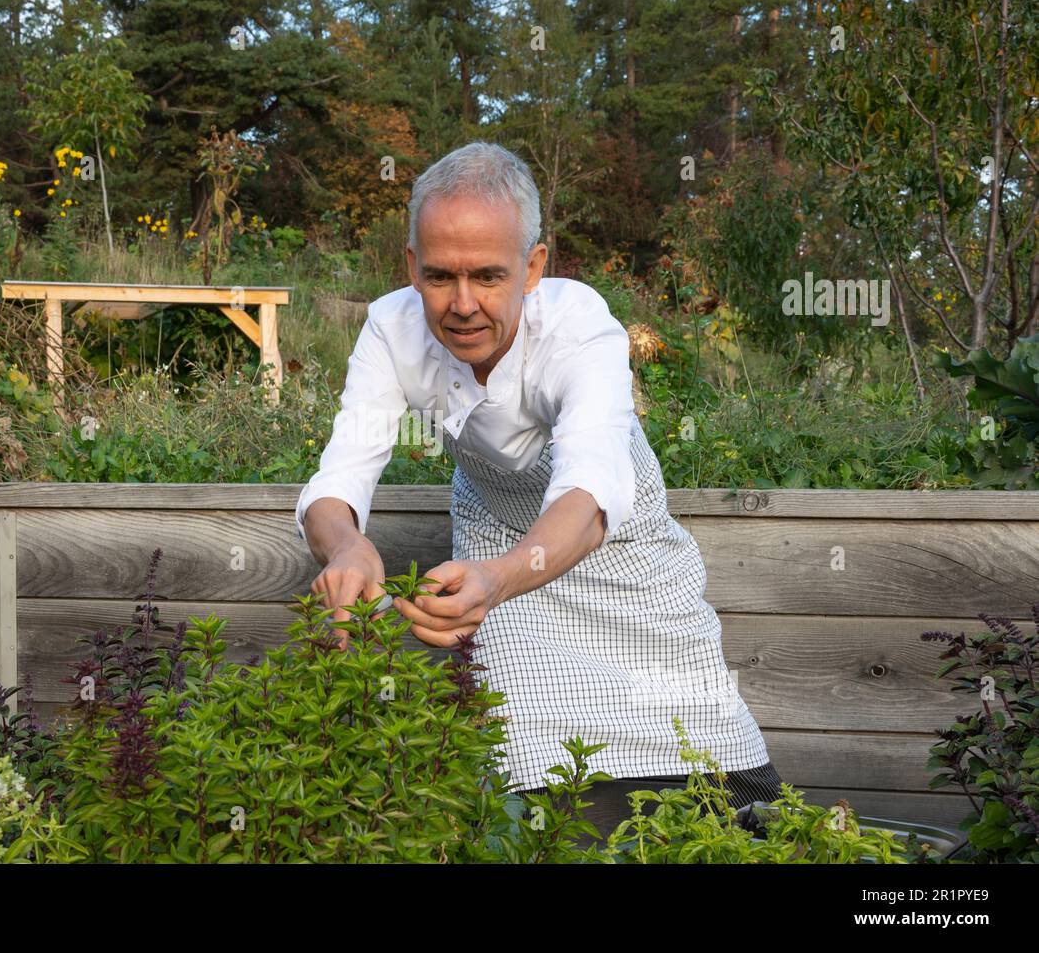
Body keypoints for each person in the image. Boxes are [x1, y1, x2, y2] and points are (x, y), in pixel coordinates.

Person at [295, 140, 785, 822]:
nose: (462, 304)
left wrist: (498, 578)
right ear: (411, 266)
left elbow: (588, 492)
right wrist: (348, 548)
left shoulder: (581, 325)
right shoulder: (390, 327)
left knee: (711, 768)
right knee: (542, 782)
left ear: (533, 266)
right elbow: (339, 476)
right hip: (498, 543)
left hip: (621, 548)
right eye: (440, 277)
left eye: (488, 277)